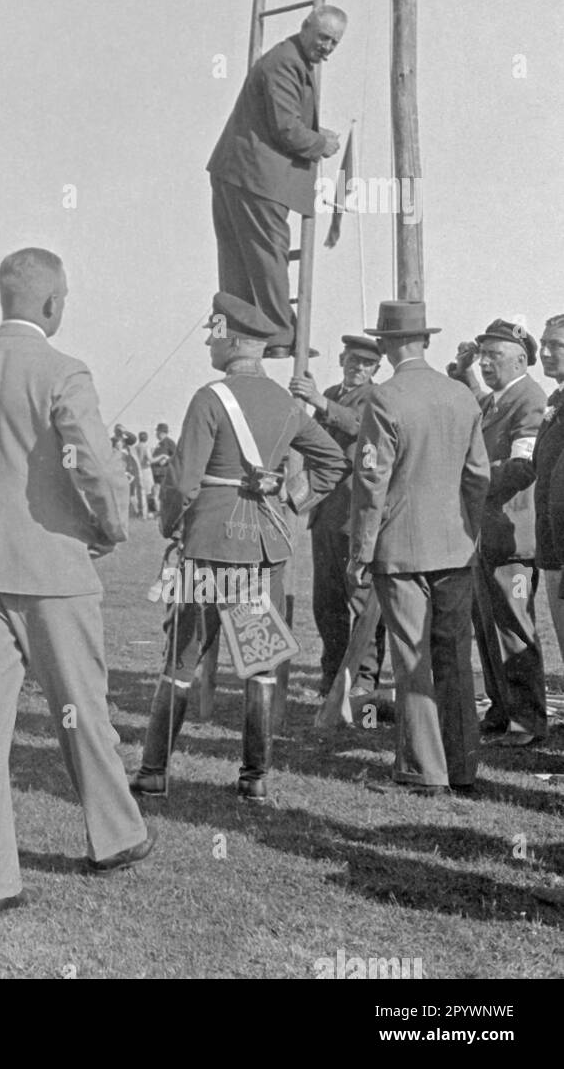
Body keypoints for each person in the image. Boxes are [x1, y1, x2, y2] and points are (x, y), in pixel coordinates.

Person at [0, 247, 155, 915]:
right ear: (51, 302)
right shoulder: (63, 371)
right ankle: (113, 836)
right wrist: (108, 528)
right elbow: (95, 468)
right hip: (53, 569)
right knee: (83, 712)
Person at [133, 293, 346, 802]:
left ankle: (155, 772)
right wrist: (291, 494)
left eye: (214, 333)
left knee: (181, 663)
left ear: (231, 340)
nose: (209, 342)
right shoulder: (286, 404)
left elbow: (182, 483)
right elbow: (334, 461)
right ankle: (254, 779)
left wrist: (170, 526)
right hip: (263, 549)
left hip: (209, 547)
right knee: (259, 665)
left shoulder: (209, 397)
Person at [349, 300, 490, 794]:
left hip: (401, 550)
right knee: (454, 657)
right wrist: (466, 531)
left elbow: (371, 484)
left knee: (413, 658)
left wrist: (360, 552)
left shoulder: (385, 399)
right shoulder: (462, 397)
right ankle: (462, 766)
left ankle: (423, 770)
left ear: (386, 344)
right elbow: (479, 477)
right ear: (425, 340)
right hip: (455, 548)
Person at [207, 7, 346, 357]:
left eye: (334, 42)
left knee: (237, 259)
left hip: (236, 171)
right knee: (268, 254)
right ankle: (280, 336)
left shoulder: (288, 60)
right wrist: (321, 143)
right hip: (257, 176)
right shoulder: (285, 63)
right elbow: (286, 129)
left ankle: (232, 335)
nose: (327, 47)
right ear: (305, 29)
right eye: (323, 38)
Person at [289, 333, 388, 697]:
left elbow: (359, 425)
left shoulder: (378, 397)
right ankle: (332, 676)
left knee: (362, 600)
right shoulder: (330, 393)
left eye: (367, 363)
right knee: (327, 603)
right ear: (342, 358)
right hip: (325, 514)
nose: (358, 368)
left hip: (358, 515)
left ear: (377, 368)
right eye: (353, 360)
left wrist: (316, 401)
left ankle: (363, 680)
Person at [465, 320, 548, 747]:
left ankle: (528, 722)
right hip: (489, 538)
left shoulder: (528, 399)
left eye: (492, 355)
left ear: (519, 359)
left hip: (513, 540)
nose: (484, 362)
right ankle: (501, 711)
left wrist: (470, 478)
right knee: (488, 629)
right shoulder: (497, 401)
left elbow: (521, 468)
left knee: (515, 631)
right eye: (482, 355)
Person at [533, 315, 564, 678]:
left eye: (555, 345)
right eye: (543, 344)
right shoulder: (555, 398)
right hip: (552, 542)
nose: (543, 352)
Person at [149, 423, 177, 514]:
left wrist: (167, 460)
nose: (156, 434)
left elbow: (176, 455)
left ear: (162, 432)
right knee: (157, 492)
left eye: (157, 432)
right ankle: (159, 510)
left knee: (161, 492)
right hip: (157, 473)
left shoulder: (169, 442)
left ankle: (161, 511)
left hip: (164, 473)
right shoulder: (160, 444)